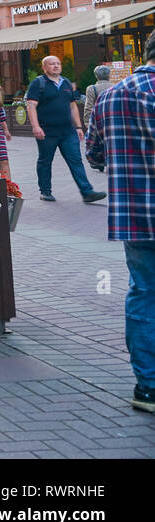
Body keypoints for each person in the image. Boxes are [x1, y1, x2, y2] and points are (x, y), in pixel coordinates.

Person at [85, 31, 155, 413]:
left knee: (144, 291)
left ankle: (147, 387)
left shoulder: (111, 94)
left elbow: (94, 152)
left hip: (135, 213)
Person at [26, 54, 106, 204]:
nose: (56, 66)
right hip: (47, 131)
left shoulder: (67, 83)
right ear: (44, 68)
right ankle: (45, 191)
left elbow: (73, 106)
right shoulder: (38, 83)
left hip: (68, 132)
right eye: (52, 64)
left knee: (76, 160)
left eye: (58, 63)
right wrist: (36, 127)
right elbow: (31, 105)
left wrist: (78, 126)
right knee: (45, 161)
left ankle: (87, 192)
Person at [84, 65, 113, 131]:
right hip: (113, 120)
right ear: (109, 75)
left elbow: (88, 107)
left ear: (96, 76)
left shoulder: (91, 89)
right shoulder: (116, 87)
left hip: (98, 122)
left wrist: (87, 123)